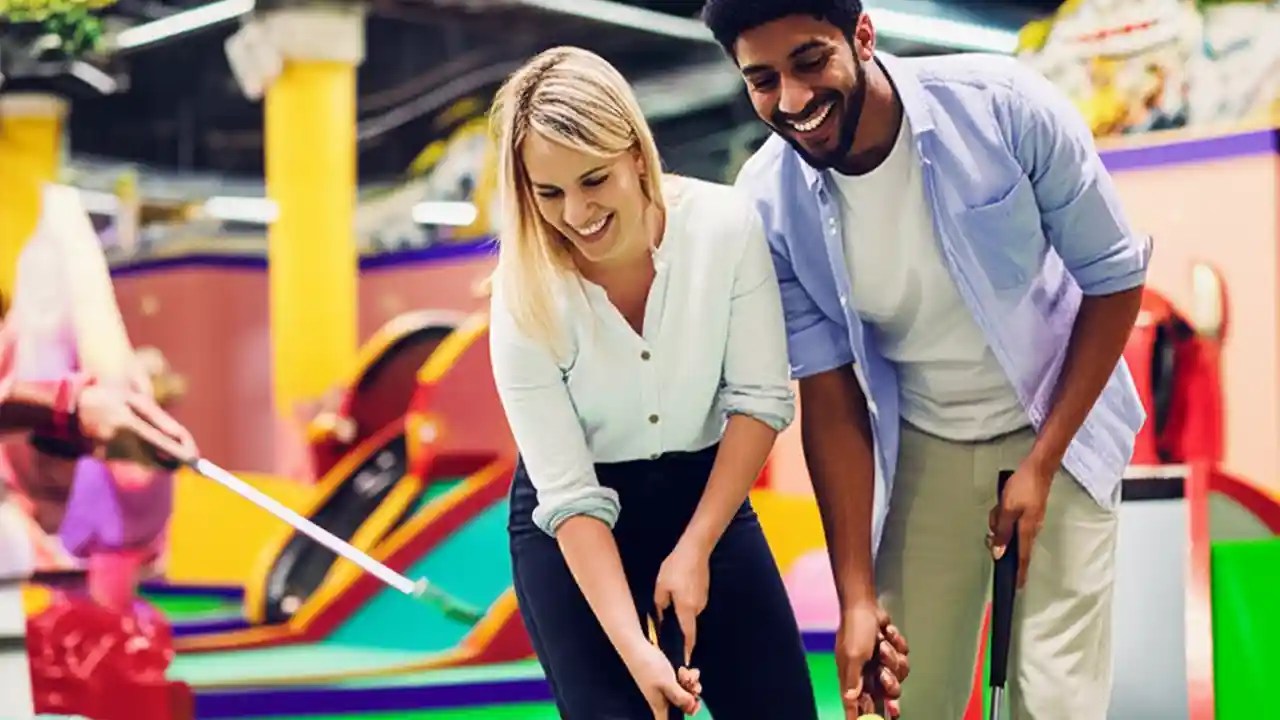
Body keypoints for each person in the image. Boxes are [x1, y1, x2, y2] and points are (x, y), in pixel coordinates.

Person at [701, 1, 1148, 718]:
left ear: (863, 36)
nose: (792, 99)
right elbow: (830, 394)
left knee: (1054, 700)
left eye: (811, 61)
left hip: (1058, 425)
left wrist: (1042, 464)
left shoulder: (1003, 106)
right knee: (903, 699)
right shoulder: (767, 204)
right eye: (762, 80)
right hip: (923, 444)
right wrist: (855, 598)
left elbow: (1114, 276)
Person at [487, 46, 907, 720]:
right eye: (549, 193)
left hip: (704, 493)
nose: (576, 212)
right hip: (575, 520)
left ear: (635, 154)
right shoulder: (521, 292)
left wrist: (697, 547)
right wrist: (637, 650)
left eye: (594, 180)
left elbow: (759, 400)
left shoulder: (724, 226)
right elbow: (568, 496)